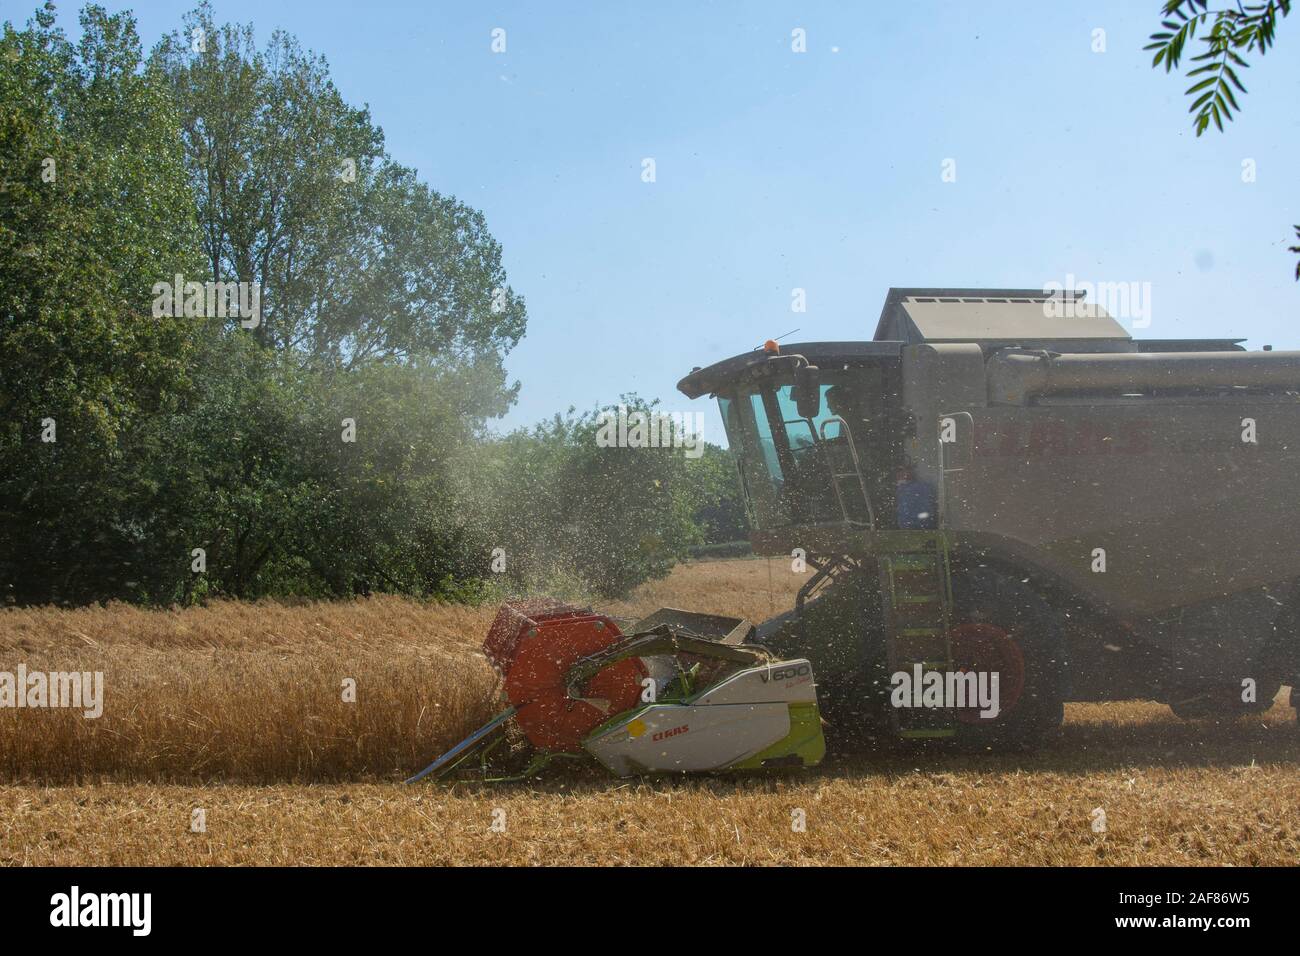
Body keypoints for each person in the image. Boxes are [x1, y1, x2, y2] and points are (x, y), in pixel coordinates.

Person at [894, 462, 938, 529]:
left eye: (902, 470)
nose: (899, 474)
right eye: (898, 471)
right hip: (911, 529)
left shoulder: (920, 488)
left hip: (920, 528)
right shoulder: (902, 489)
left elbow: (926, 511)